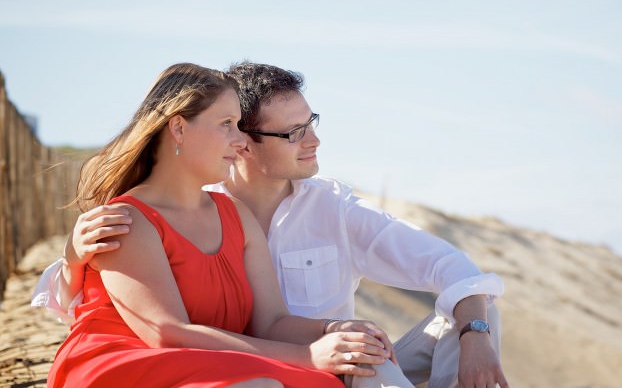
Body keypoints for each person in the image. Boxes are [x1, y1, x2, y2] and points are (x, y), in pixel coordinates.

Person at [34, 62, 508, 388]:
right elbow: (148, 322)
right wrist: (72, 257)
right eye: (227, 125)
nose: (315, 141)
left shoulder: (278, 212)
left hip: (285, 355)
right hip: (173, 362)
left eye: (311, 122)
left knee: (460, 313)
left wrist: (341, 327)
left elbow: (272, 320)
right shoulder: (145, 213)